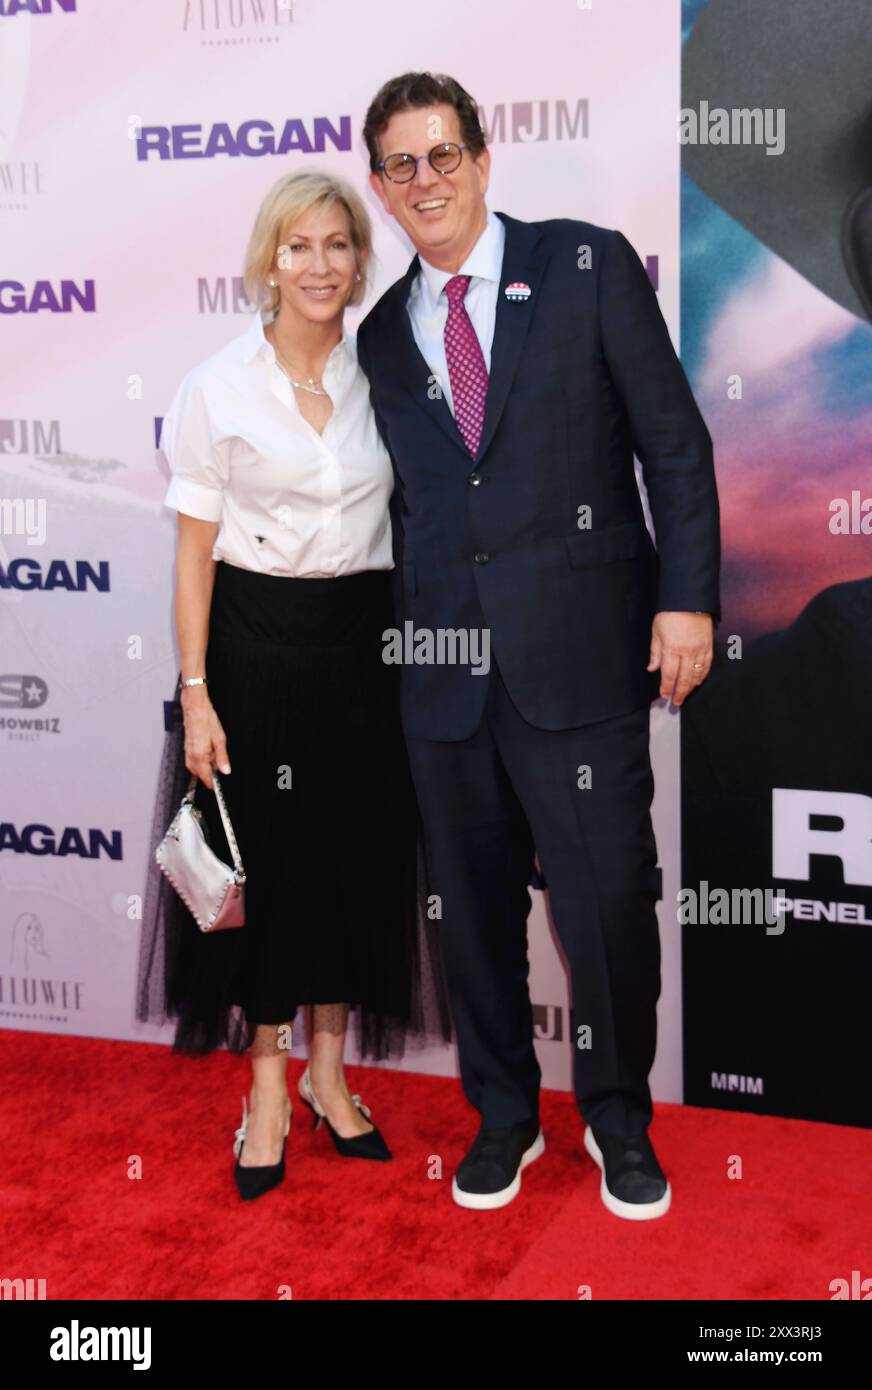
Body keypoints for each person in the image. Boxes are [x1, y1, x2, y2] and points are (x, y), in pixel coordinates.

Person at [356, 72, 721, 1215]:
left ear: (480, 155)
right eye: (402, 164)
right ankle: (503, 1115)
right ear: (379, 186)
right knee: (470, 914)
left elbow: (673, 442)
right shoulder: (377, 333)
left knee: (605, 900)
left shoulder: (581, 264)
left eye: (443, 154)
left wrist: (687, 598)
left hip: (579, 660)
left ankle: (618, 1119)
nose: (427, 180)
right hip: (442, 681)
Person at [137, 169, 449, 1202]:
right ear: (267, 260)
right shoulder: (215, 386)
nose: (318, 264)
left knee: (353, 866)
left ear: (362, 263)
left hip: (363, 650)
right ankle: (265, 1087)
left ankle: (328, 1073)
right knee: (264, 874)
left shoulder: (385, 382)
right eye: (297, 245)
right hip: (253, 648)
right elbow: (192, 558)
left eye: (337, 245)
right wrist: (195, 692)